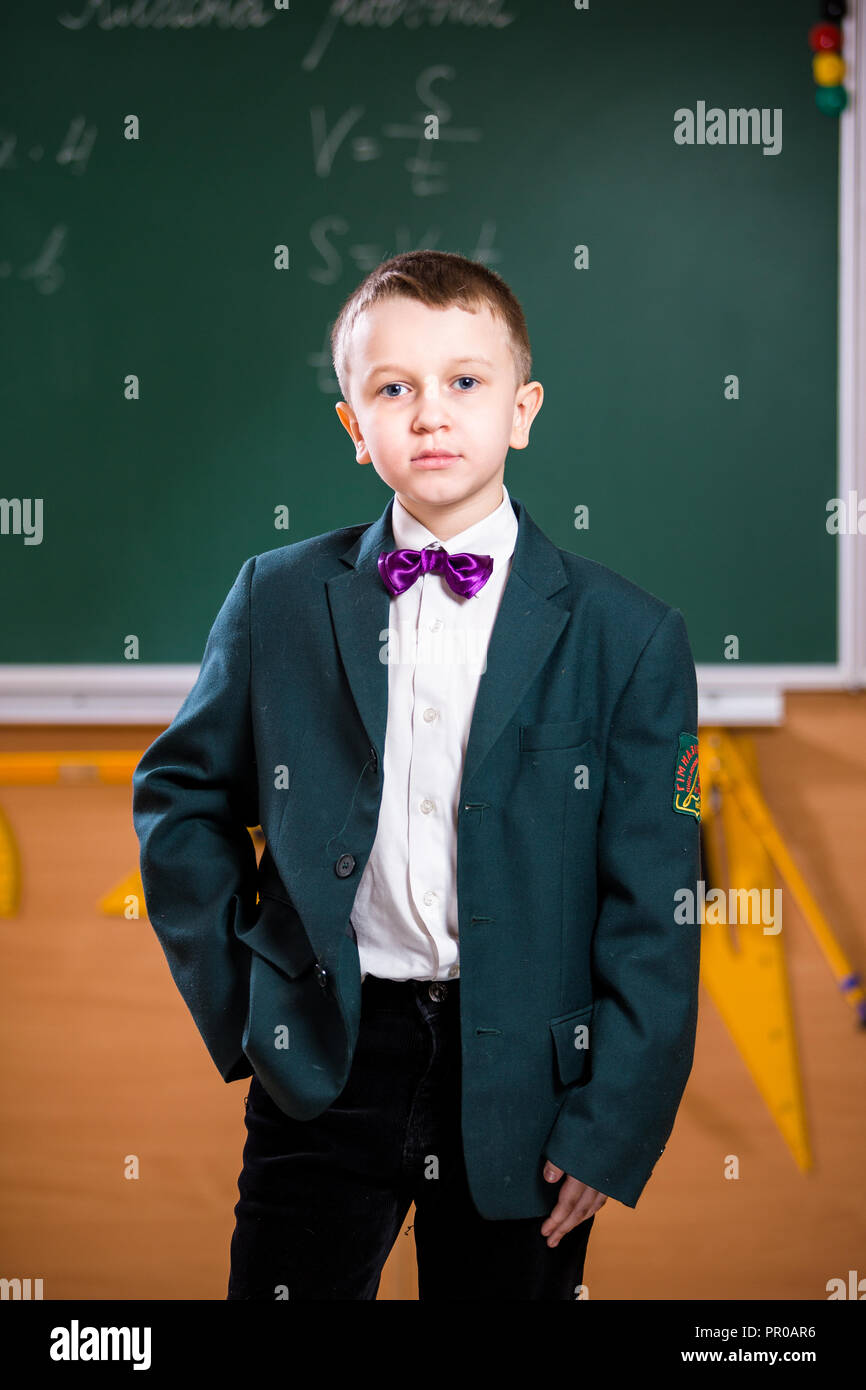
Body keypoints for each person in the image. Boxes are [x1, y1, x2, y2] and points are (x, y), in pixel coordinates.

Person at [132, 249, 702, 1301]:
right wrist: (242, 1006)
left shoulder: (627, 636)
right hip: (326, 1055)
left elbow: (656, 909)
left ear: (521, 411)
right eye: (393, 389)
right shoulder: (277, 597)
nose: (429, 413)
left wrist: (608, 1121)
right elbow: (180, 799)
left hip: (530, 1080)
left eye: (464, 382)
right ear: (355, 428)